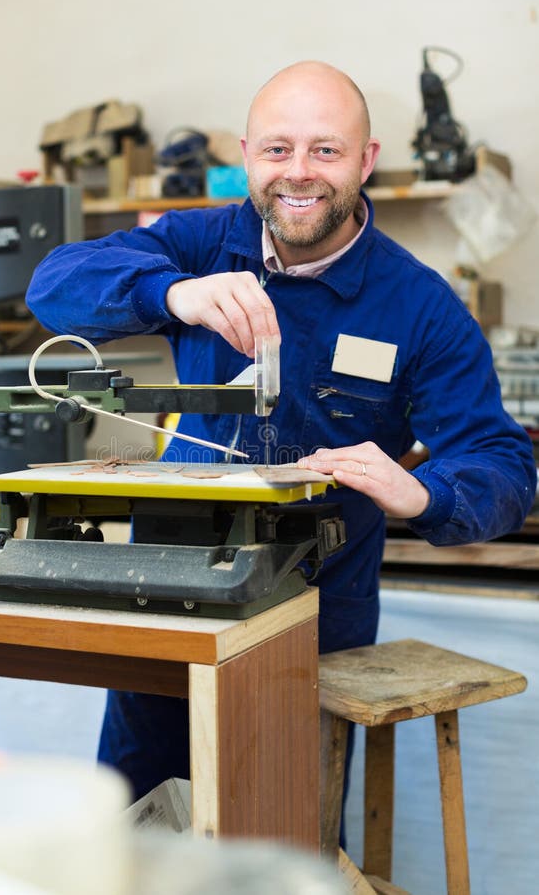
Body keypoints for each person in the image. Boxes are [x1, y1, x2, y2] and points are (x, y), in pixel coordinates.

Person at [26, 61, 536, 809]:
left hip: (317, 621)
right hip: (168, 596)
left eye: (326, 150)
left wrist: (423, 492)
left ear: (367, 159)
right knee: (139, 831)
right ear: (246, 157)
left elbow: (504, 466)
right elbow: (53, 284)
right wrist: (170, 290)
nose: (299, 173)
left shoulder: (420, 307)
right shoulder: (199, 245)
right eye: (277, 150)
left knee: (291, 831)